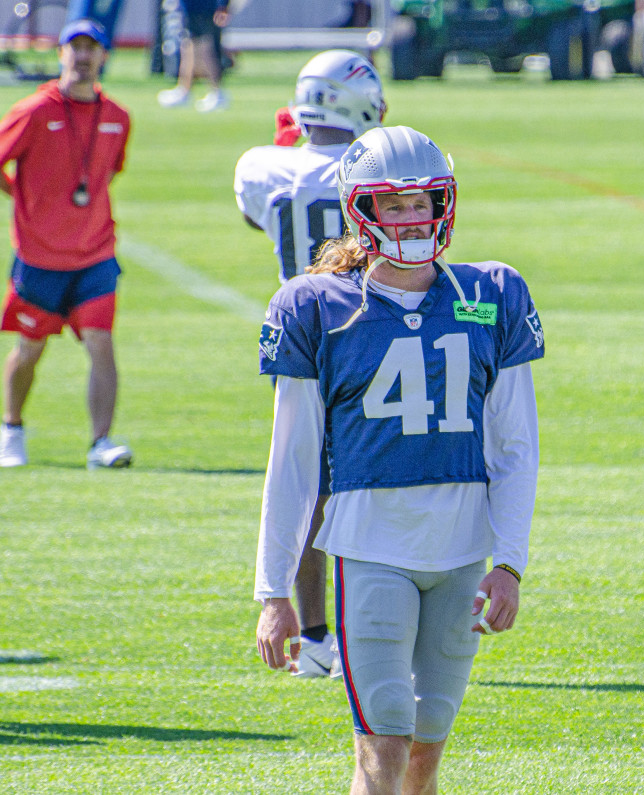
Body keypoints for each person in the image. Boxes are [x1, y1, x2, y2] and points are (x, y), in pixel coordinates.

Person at [253, 125, 543, 793]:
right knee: (382, 743)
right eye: (396, 204)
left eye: (424, 201)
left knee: (423, 753)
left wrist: (511, 562)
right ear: (363, 211)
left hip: (463, 551)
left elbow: (515, 445)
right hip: (370, 545)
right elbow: (292, 462)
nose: (413, 217)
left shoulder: (491, 294)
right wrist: (273, 591)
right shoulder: (319, 307)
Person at [235, 50, 387, 679]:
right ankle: (371, 636)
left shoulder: (262, 167)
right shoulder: (371, 169)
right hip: (367, 332)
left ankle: (319, 641)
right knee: (377, 487)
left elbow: (254, 214)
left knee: (304, 490)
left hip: (300, 335)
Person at [0, 18, 133, 470]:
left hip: (96, 254)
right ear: (60, 54)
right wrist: (21, 197)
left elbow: (109, 172)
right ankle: (12, 428)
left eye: (91, 48)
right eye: (73, 47)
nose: (82, 56)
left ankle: (102, 442)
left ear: (103, 56)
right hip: (39, 257)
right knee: (31, 347)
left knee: (101, 343)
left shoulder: (117, 117)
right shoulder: (35, 110)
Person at [157, 0, 229, 112]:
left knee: (202, 47)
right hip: (191, 6)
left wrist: (222, 5)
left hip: (200, 6)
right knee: (188, 45)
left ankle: (216, 92)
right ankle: (184, 89)